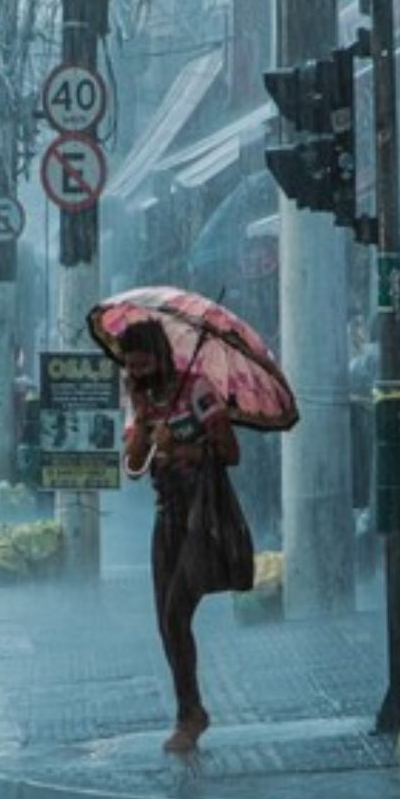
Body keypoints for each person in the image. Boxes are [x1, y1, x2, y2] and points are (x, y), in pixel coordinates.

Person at [119, 319, 254, 754]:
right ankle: (190, 709)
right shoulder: (140, 400)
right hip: (167, 518)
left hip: (202, 515)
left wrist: (178, 447)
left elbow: (229, 452)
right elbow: (133, 468)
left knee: (177, 613)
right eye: (130, 367)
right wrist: (142, 421)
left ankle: (189, 715)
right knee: (166, 622)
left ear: (161, 357)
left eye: (144, 365)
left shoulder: (197, 390)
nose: (138, 375)